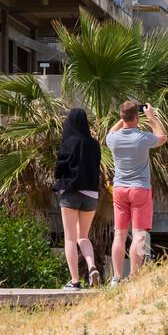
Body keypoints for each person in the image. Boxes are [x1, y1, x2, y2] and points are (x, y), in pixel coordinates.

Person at [107, 99, 167, 284]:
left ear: (121, 117)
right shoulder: (142, 138)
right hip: (140, 189)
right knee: (139, 234)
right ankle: (134, 276)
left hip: (119, 189)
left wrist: (122, 118)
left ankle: (116, 277)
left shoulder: (113, 139)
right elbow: (162, 137)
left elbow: (111, 131)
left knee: (119, 234)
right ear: (136, 118)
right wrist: (151, 118)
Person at [54, 107, 103, 289]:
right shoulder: (94, 144)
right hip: (91, 194)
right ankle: (92, 267)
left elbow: (60, 167)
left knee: (70, 238)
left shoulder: (69, 142)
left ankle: (75, 281)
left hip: (71, 192)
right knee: (83, 236)